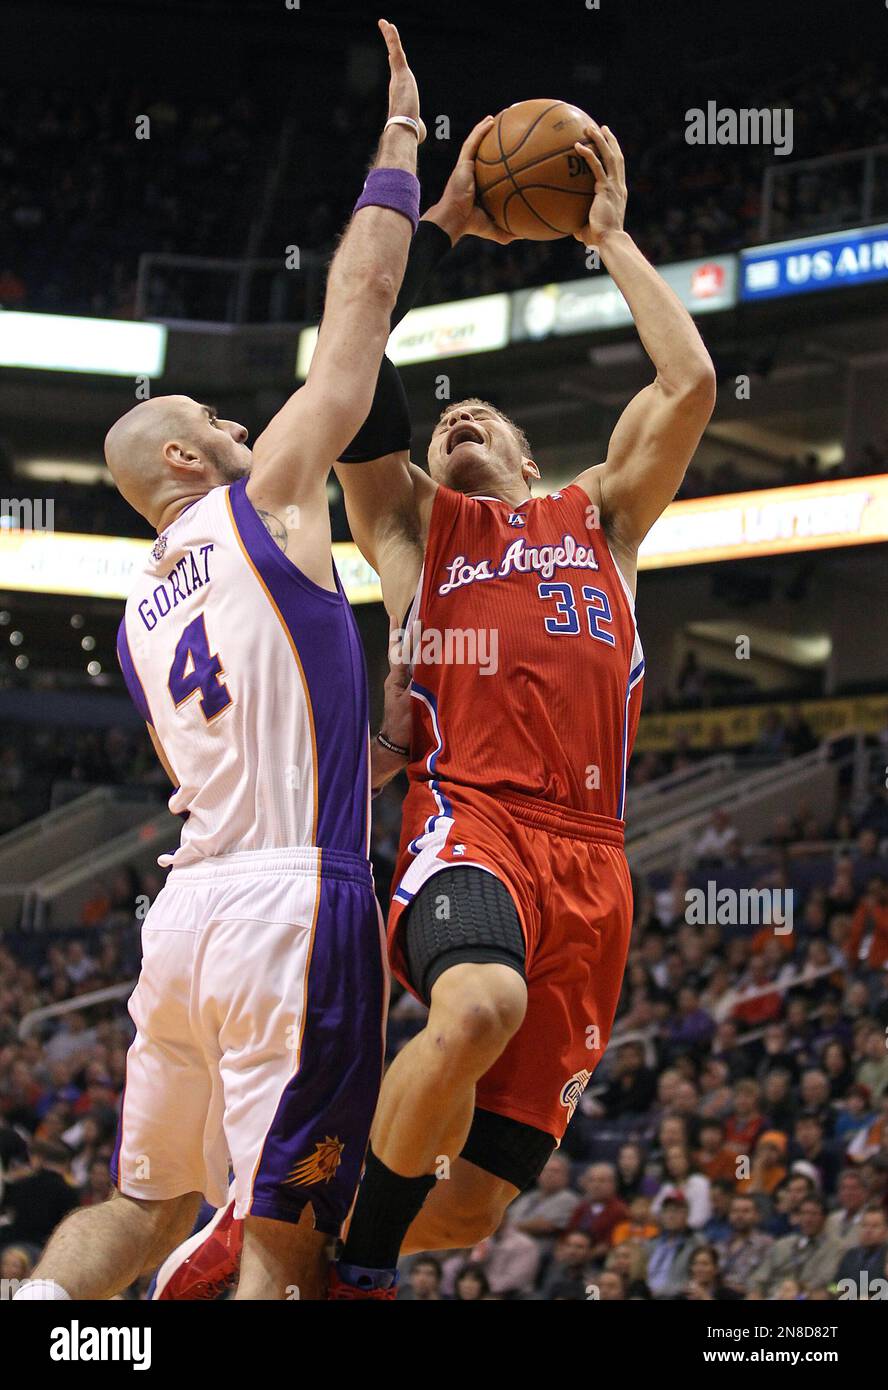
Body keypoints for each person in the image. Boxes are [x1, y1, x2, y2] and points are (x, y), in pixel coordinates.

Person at [13, 19, 421, 1305]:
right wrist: (401, 143)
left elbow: (262, 721)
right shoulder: (272, 505)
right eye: (215, 418)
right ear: (186, 463)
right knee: (282, 1244)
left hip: (183, 919)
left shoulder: (138, 613)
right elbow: (355, 312)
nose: (243, 422)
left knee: (142, 1204)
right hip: (287, 910)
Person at [329, 117, 715, 1297]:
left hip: (596, 871)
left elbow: (689, 381)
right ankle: (350, 1272)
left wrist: (610, 238)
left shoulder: (598, 520)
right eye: (448, 418)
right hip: (472, 821)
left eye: (482, 417)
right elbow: (353, 354)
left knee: (471, 1213)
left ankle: (309, 1230)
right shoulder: (409, 531)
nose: (457, 420)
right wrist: (439, 219)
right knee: (479, 998)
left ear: (534, 461)